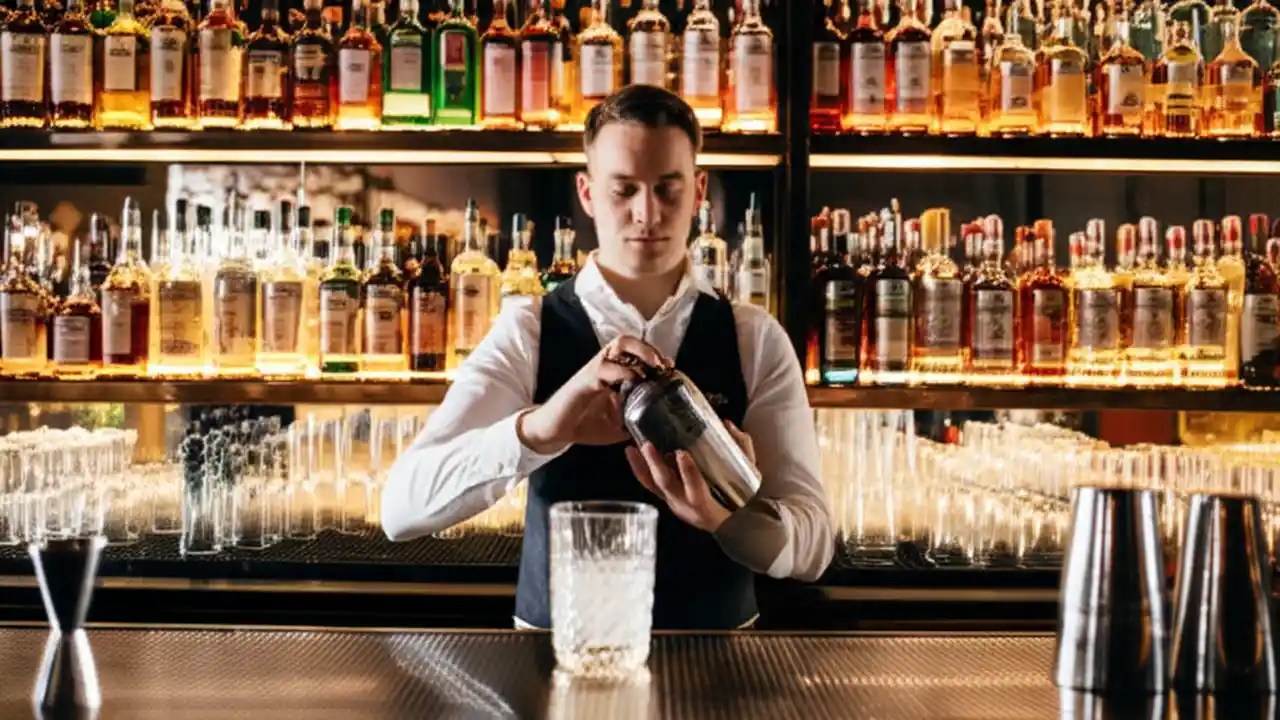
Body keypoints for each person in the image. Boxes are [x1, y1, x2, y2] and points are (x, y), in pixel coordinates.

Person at [381, 85, 833, 630]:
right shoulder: (529, 329)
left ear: (699, 190)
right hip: (555, 663)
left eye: (669, 189)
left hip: (716, 665)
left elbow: (814, 547)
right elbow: (401, 509)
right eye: (624, 190)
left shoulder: (753, 338)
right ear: (587, 193)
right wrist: (540, 430)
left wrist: (730, 517)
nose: (647, 213)